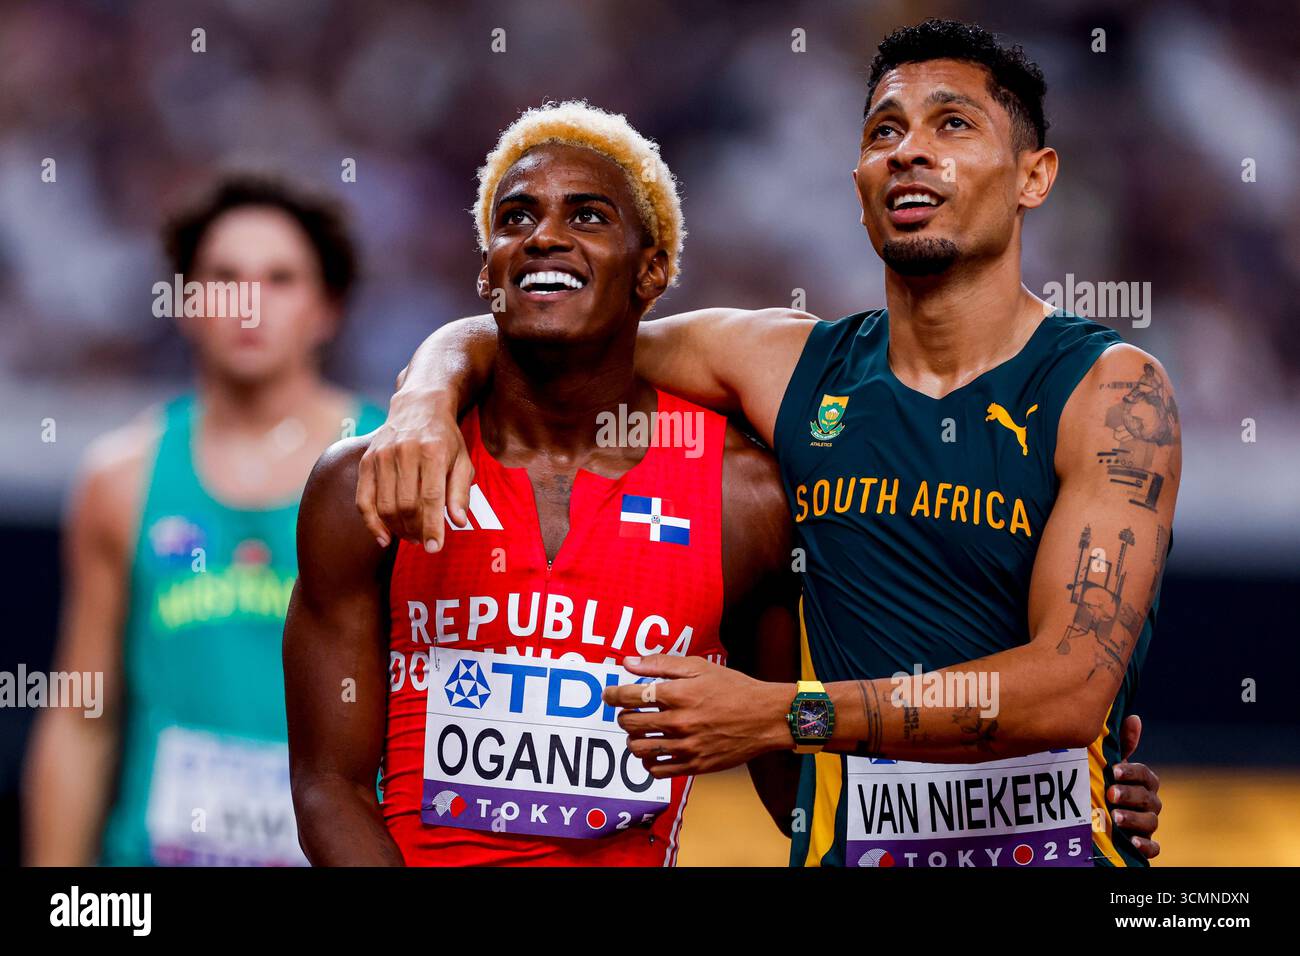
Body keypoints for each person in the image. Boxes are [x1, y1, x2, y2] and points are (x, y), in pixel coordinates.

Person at [357, 20, 1174, 868]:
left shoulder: (1110, 391)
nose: (907, 152)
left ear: (1034, 177)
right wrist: (424, 396)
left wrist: (784, 714)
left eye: (952, 124)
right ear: (856, 180)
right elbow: (552, 322)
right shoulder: (786, 363)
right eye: (883, 131)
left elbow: (1069, 691)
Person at [284, 102, 800, 866]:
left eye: (587, 216)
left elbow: (796, 785)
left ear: (651, 270)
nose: (545, 236)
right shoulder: (366, 483)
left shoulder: (746, 497)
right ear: (488, 270)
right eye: (516, 217)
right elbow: (329, 787)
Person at [23, 174, 385, 865]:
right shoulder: (120, 481)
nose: (250, 304)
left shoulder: (393, 471)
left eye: (280, 279)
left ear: (328, 308)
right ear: (186, 301)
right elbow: (80, 717)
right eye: (225, 278)